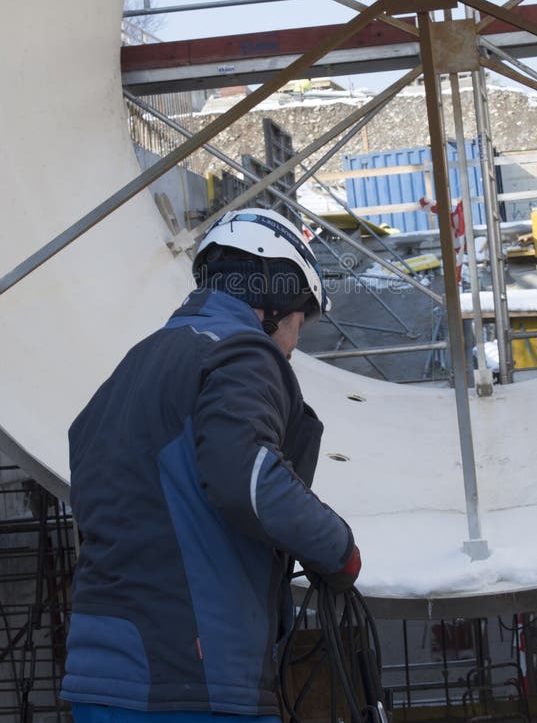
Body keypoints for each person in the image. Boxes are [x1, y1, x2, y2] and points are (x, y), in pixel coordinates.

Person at [61, 207, 361, 723]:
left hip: (101, 674)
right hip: (191, 681)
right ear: (274, 300)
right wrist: (338, 549)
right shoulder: (242, 352)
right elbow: (248, 477)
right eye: (296, 326)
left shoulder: (134, 367)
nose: (291, 348)